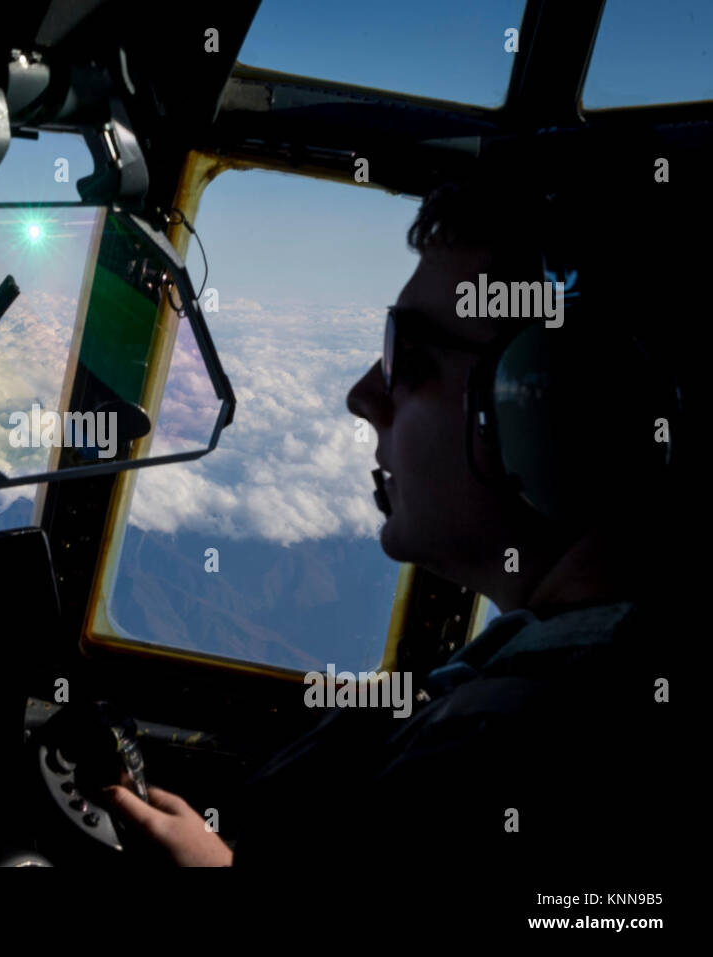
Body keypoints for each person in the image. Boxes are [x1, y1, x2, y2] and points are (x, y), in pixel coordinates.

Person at [104, 150, 699, 885]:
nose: (363, 395)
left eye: (408, 355)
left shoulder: (505, 764)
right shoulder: (574, 671)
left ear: (555, 414)